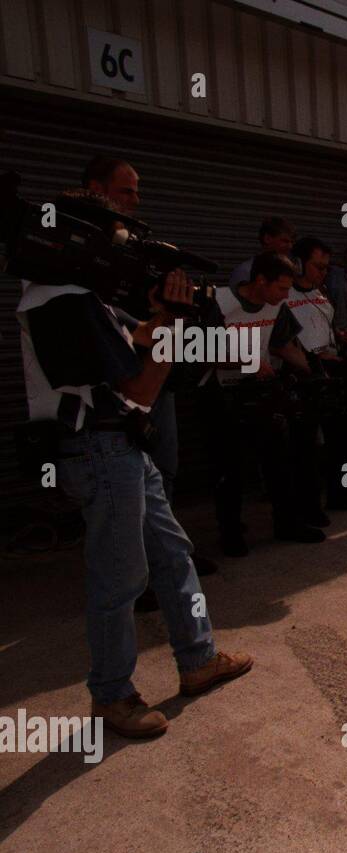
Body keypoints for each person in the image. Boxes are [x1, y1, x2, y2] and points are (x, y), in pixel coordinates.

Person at [18, 189, 252, 737]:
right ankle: (111, 696)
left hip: (122, 445)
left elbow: (135, 342)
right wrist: (170, 321)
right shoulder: (60, 299)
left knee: (172, 553)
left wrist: (163, 318)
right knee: (120, 578)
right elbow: (141, 389)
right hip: (100, 448)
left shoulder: (84, 296)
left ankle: (198, 660)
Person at [82, 155, 218, 592]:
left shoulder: (132, 247)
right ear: (95, 188)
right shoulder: (82, 253)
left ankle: (165, 563)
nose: (135, 200)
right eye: (126, 190)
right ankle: (138, 578)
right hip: (113, 388)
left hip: (158, 375)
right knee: (127, 486)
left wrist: (171, 311)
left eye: (138, 191)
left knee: (164, 469)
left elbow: (146, 321)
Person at [209, 251, 326, 552]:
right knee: (229, 469)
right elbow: (200, 352)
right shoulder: (218, 302)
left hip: (260, 393)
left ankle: (287, 524)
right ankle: (230, 534)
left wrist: (314, 371)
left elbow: (283, 345)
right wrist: (248, 361)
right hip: (221, 394)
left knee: (279, 461)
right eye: (282, 288)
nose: (287, 294)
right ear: (260, 280)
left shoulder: (277, 306)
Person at [284, 237, 347, 514]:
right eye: (317, 266)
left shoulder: (322, 294)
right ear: (298, 263)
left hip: (331, 373)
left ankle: (341, 494)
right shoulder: (285, 296)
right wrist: (312, 359)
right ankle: (309, 507)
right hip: (301, 377)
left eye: (326, 268)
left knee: (342, 440)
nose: (323, 272)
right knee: (306, 448)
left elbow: (326, 328)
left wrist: (343, 337)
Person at [228, 217, 296, 292]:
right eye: (285, 241)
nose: (290, 246)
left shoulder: (289, 270)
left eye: (291, 242)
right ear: (267, 239)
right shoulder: (245, 272)